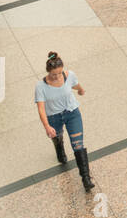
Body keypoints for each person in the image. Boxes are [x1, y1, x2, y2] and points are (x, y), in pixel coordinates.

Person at [34, 51, 93, 191]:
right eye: (54, 74)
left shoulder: (69, 75)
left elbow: (75, 84)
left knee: (78, 145)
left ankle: (86, 178)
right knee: (57, 137)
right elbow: (41, 109)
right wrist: (47, 126)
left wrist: (81, 90)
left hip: (72, 113)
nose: (57, 77)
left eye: (59, 73)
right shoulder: (40, 86)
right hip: (53, 117)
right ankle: (59, 148)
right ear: (48, 71)